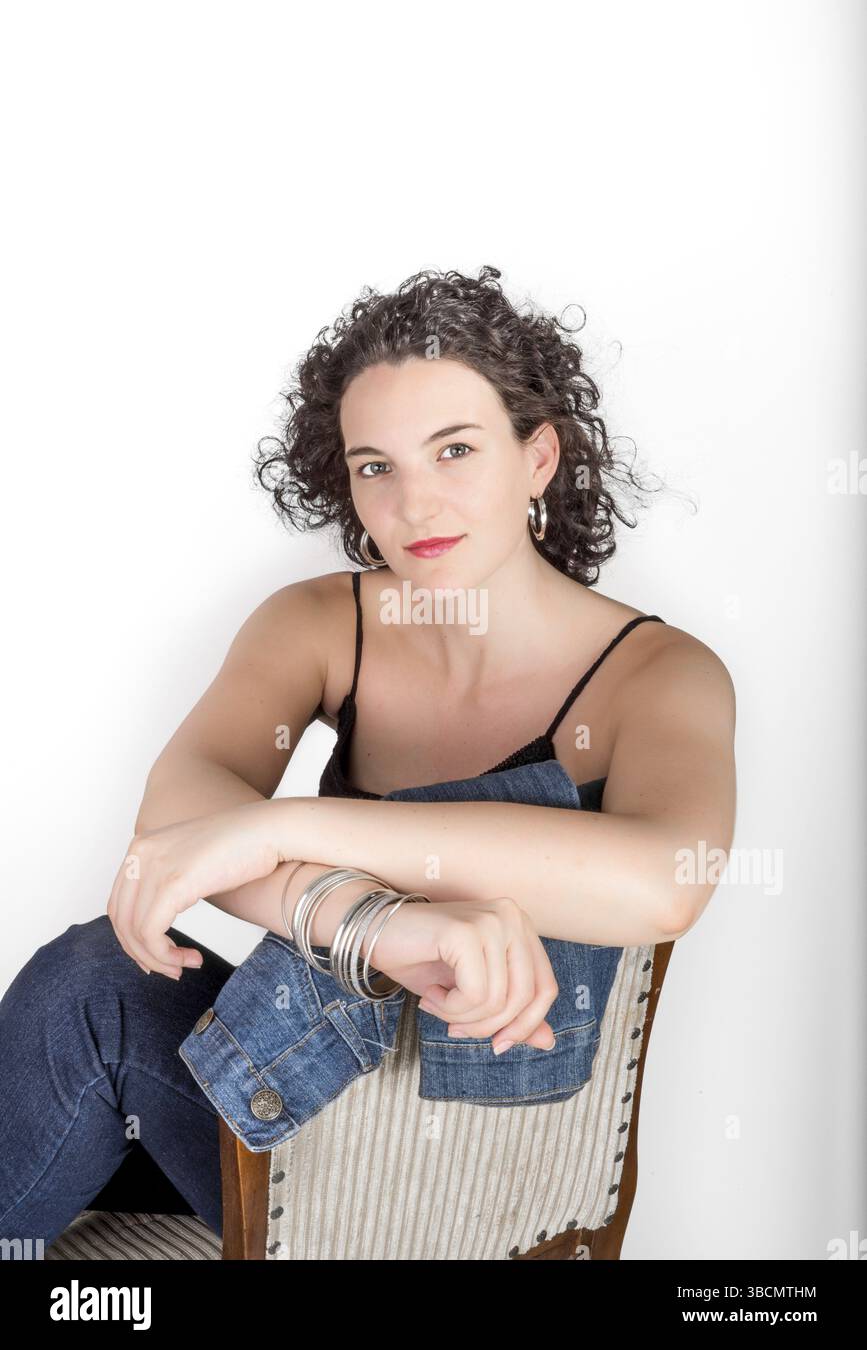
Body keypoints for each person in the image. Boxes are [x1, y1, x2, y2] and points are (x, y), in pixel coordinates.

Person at [0, 265, 736, 1254]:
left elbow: (662, 883)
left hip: (465, 1171)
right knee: (88, 995)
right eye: (375, 465)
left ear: (539, 456)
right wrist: (379, 926)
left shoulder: (659, 674)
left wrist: (279, 825)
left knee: (91, 997)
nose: (414, 503)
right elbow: (176, 832)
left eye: (456, 449)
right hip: (291, 1106)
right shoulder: (319, 622)